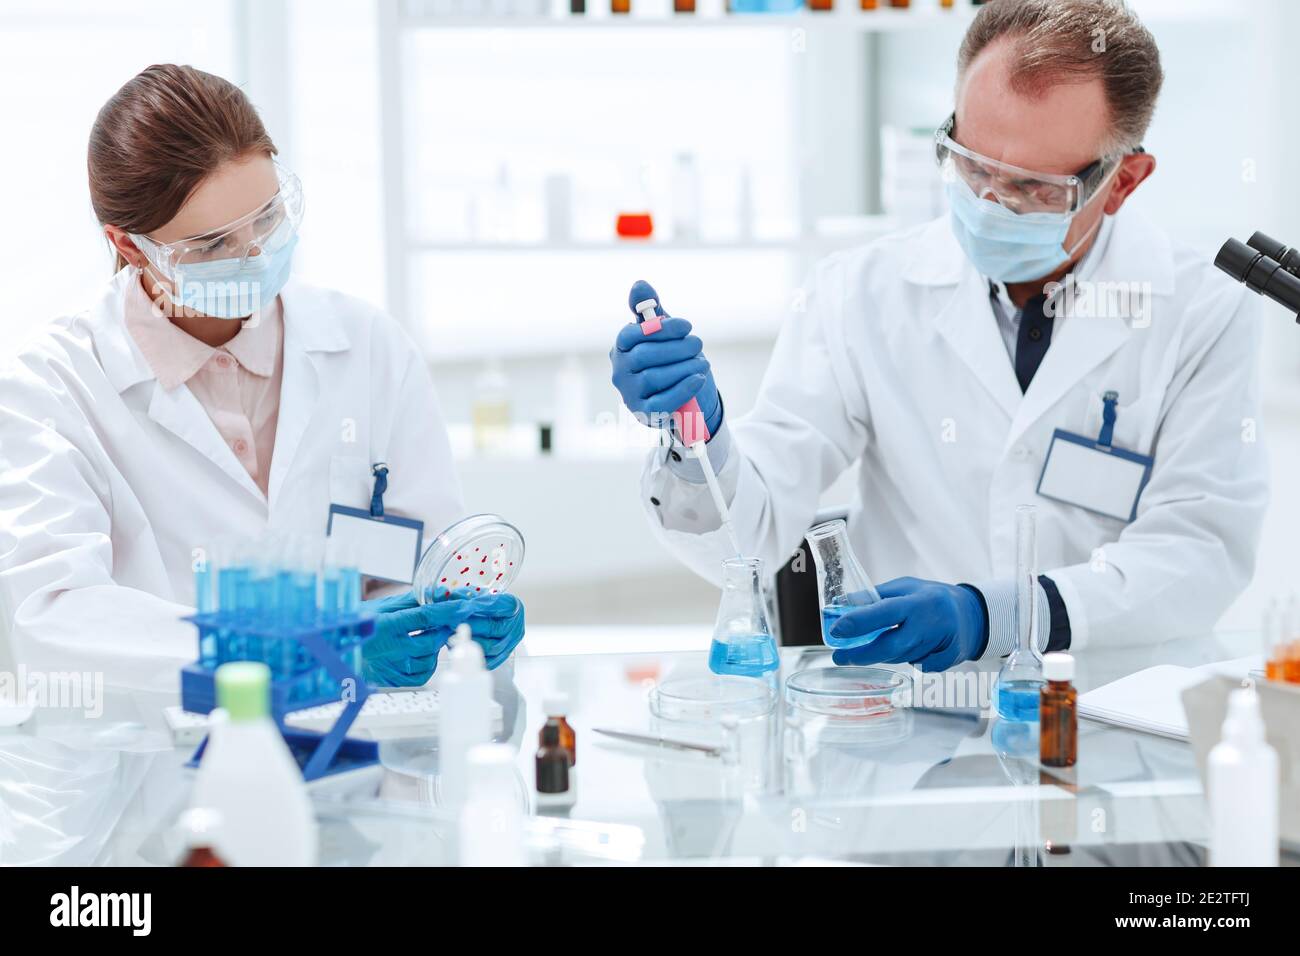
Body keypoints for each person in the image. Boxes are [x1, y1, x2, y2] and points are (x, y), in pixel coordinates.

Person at [610, 0, 1267, 670]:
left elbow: (1198, 554)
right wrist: (700, 439)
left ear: (1123, 181)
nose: (987, 205)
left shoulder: (1201, 312)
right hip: (909, 711)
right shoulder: (860, 293)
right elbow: (747, 540)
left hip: (1105, 708)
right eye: (971, 165)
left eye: (1034, 189)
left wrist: (995, 616)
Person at [0, 64, 524, 692]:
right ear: (131, 245)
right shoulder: (54, 389)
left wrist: (455, 620)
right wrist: (300, 654)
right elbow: (52, 619)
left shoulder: (367, 349)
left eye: (268, 218)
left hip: (359, 756)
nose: (254, 254)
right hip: (163, 768)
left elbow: (421, 569)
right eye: (214, 245)